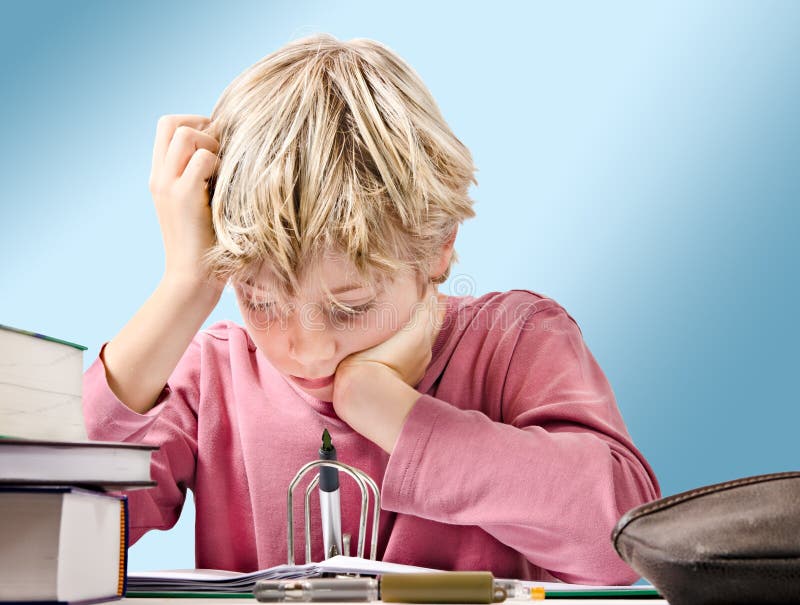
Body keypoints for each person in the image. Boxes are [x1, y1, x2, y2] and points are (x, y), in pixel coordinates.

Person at [82, 33, 660, 585]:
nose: (307, 351)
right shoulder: (211, 378)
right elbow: (36, 535)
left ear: (439, 246)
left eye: (350, 307)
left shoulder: (514, 343)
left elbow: (619, 543)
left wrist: (391, 411)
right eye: (261, 301)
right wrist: (184, 286)